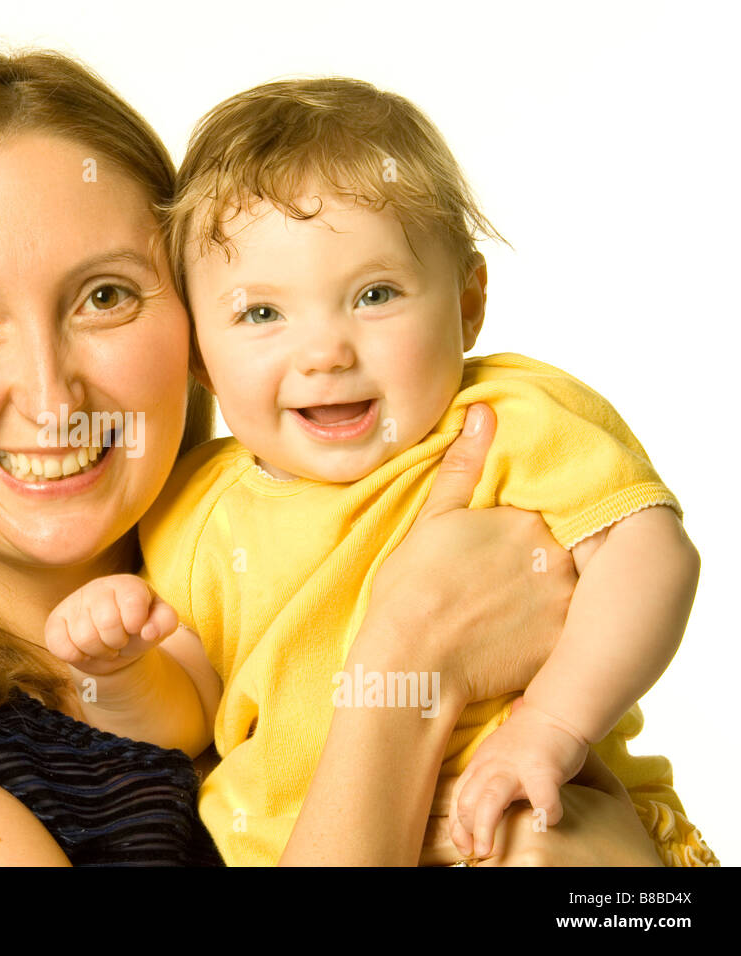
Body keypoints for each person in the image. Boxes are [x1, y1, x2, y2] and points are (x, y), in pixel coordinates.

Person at [0, 48, 673, 866]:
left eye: (104, 296)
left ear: (195, 330)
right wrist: (408, 656)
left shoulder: (257, 568)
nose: (52, 392)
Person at [44, 76, 719, 867]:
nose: (325, 351)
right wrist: (122, 670)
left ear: (468, 304)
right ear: (199, 354)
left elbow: (651, 559)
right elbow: (193, 708)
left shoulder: (507, 419)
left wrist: (553, 727)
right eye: (262, 313)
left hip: (541, 827)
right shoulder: (199, 511)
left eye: (374, 294)